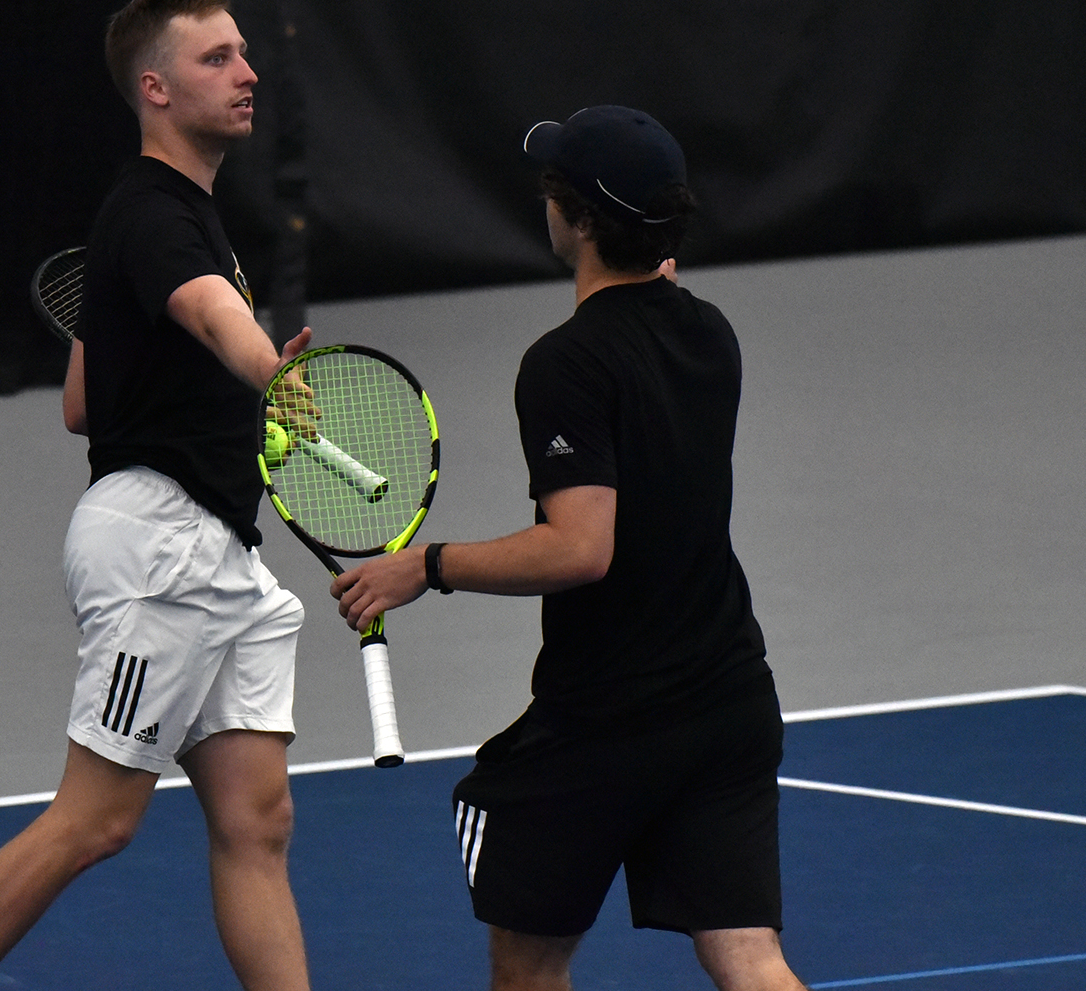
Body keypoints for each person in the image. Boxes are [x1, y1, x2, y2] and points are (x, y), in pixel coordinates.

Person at [331, 106, 810, 991]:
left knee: (529, 966)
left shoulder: (566, 362)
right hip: (730, 700)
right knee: (749, 956)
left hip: (609, 722)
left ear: (578, 219)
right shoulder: (711, 334)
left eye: (555, 192)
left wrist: (425, 567)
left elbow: (581, 549)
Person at [0, 0, 316, 991]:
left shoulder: (148, 222)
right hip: (162, 552)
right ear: (156, 88)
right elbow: (219, 322)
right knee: (96, 821)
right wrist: (275, 374)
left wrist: (230, 392)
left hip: (217, 548)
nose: (247, 71)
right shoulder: (161, 220)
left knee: (256, 821)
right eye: (218, 57)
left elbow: (82, 404)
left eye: (243, 52)